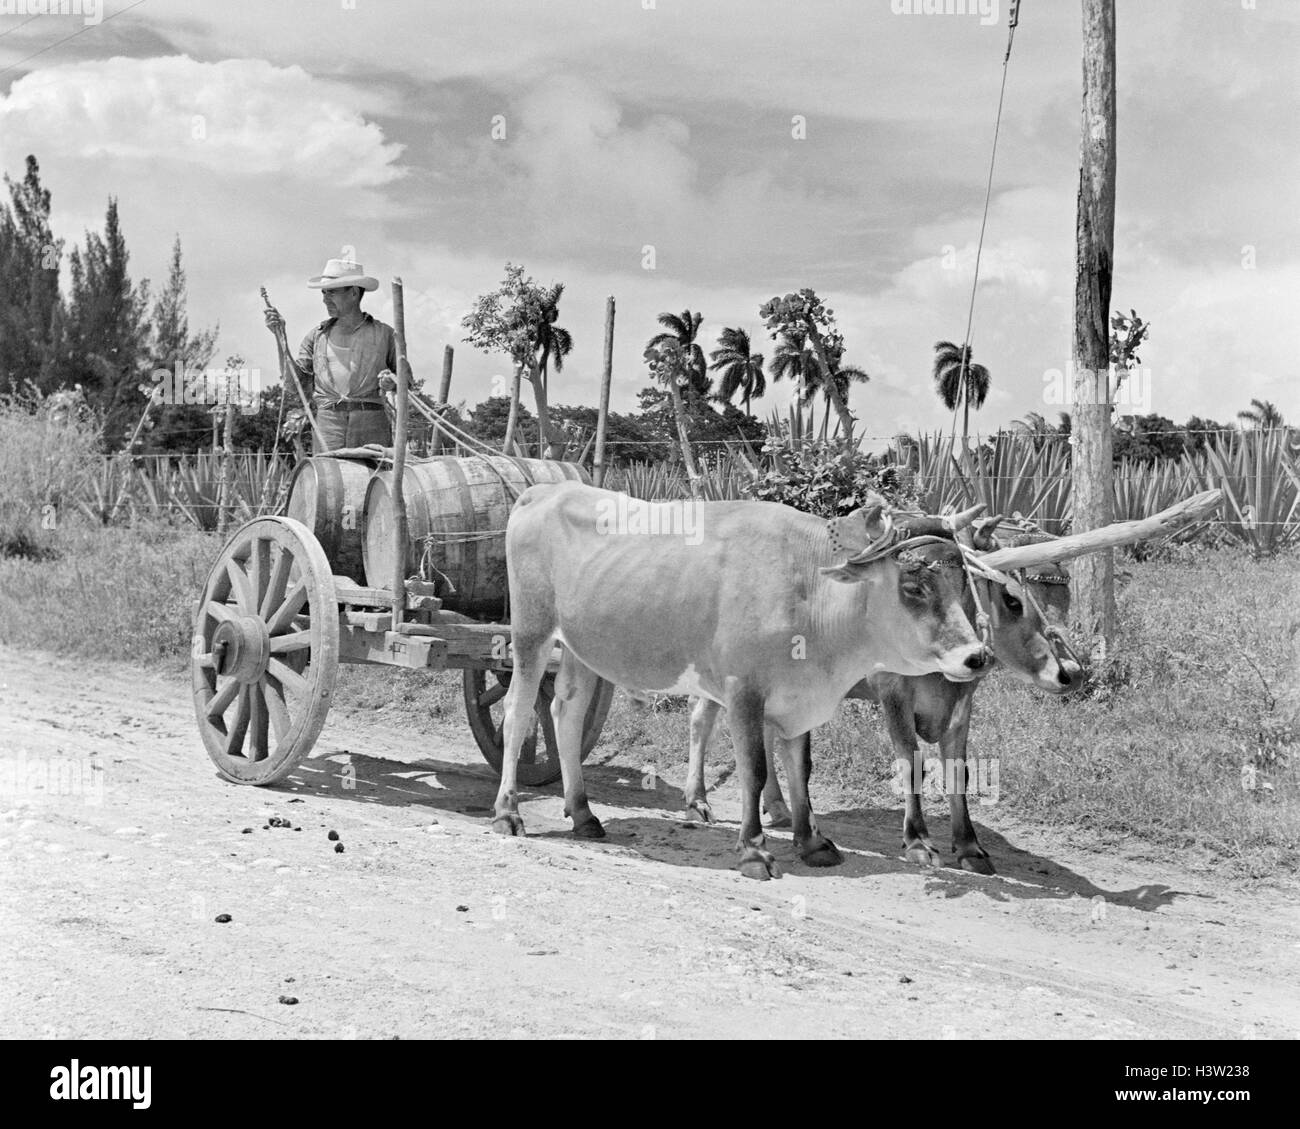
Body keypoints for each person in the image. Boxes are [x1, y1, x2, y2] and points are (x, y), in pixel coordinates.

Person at [263, 257, 405, 451]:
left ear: (354, 293)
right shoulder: (316, 337)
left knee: (374, 478)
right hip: (328, 426)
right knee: (328, 478)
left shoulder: (385, 335)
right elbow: (293, 384)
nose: (324, 298)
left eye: (332, 292)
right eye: (323, 292)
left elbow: (407, 382)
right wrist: (281, 338)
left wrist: (392, 381)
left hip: (371, 425)